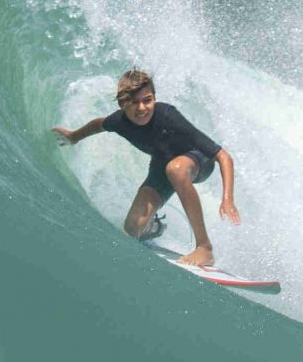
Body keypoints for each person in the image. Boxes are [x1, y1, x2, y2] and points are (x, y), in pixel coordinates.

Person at [54, 68, 240, 268]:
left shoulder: (168, 116)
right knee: (132, 228)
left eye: (148, 100)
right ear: (122, 104)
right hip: (162, 166)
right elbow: (99, 124)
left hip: (198, 161)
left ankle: (205, 248)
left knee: (175, 168)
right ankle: (152, 227)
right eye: (134, 102)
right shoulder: (119, 121)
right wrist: (73, 137)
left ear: (155, 98)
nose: (142, 108)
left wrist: (227, 198)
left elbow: (223, 156)